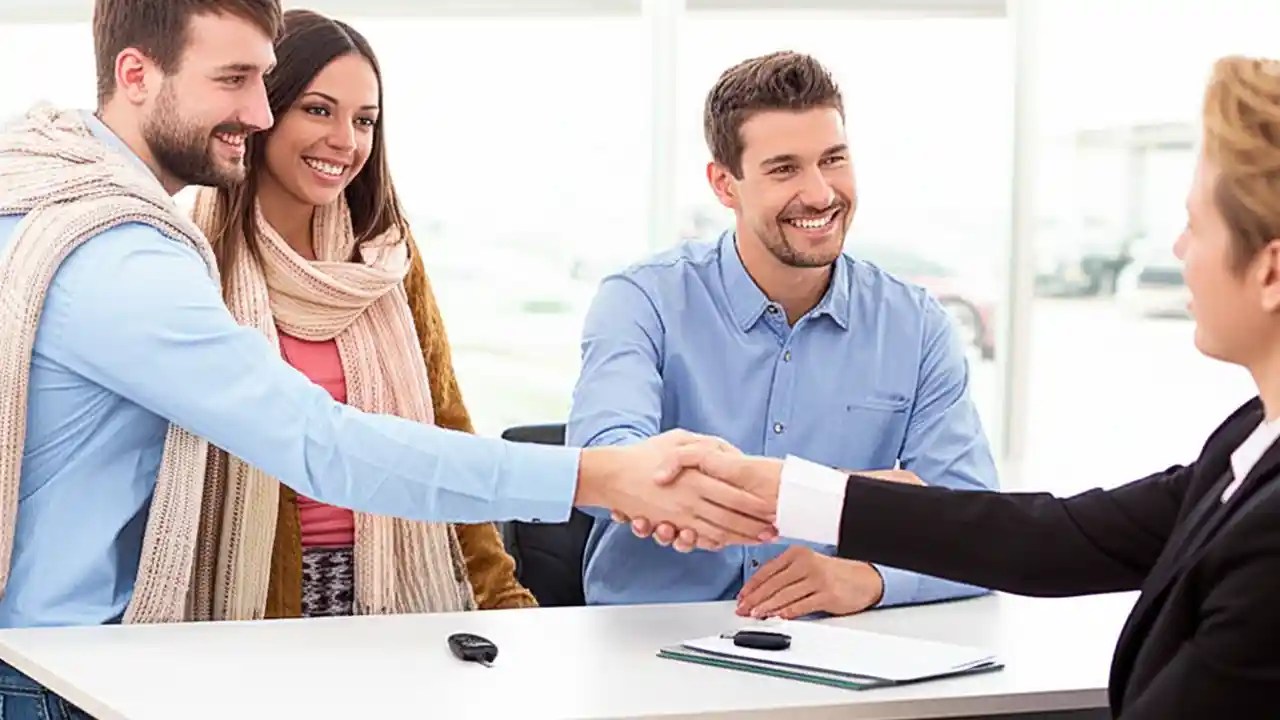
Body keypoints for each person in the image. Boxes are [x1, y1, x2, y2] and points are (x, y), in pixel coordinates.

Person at [0, 1, 776, 713]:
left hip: (87, 653)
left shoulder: (39, 199)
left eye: (264, 82)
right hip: (58, 670)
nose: (257, 112)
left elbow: (431, 417)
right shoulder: (125, 256)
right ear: (135, 75)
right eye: (233, 80)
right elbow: (322, 445)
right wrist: (602, 474)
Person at [640, 54, 1280, 720]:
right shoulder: (1246, 441)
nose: (1176, 251)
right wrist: (789, 491)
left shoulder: (1271, 534)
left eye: (1196, 225)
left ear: (1269, 273)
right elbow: (1051, 540)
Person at [568, 50, 998, 617]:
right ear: (725, 184)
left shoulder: (915, 325)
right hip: (653, 641)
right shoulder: (642, 300)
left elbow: (978, 529)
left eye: (833, 159)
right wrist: (871, 495)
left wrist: (869, 578)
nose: (820, 193)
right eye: (784, 168)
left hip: (842, 645)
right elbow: (610, 469)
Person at [188, 9, 534, 618]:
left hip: (396, 597)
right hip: (247, 605)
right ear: (265, 111)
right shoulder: (191, 256)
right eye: (318, 110)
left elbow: (444, 432)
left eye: (365, 120)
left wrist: (504, 600)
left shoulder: (386, 257)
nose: (346, 141)